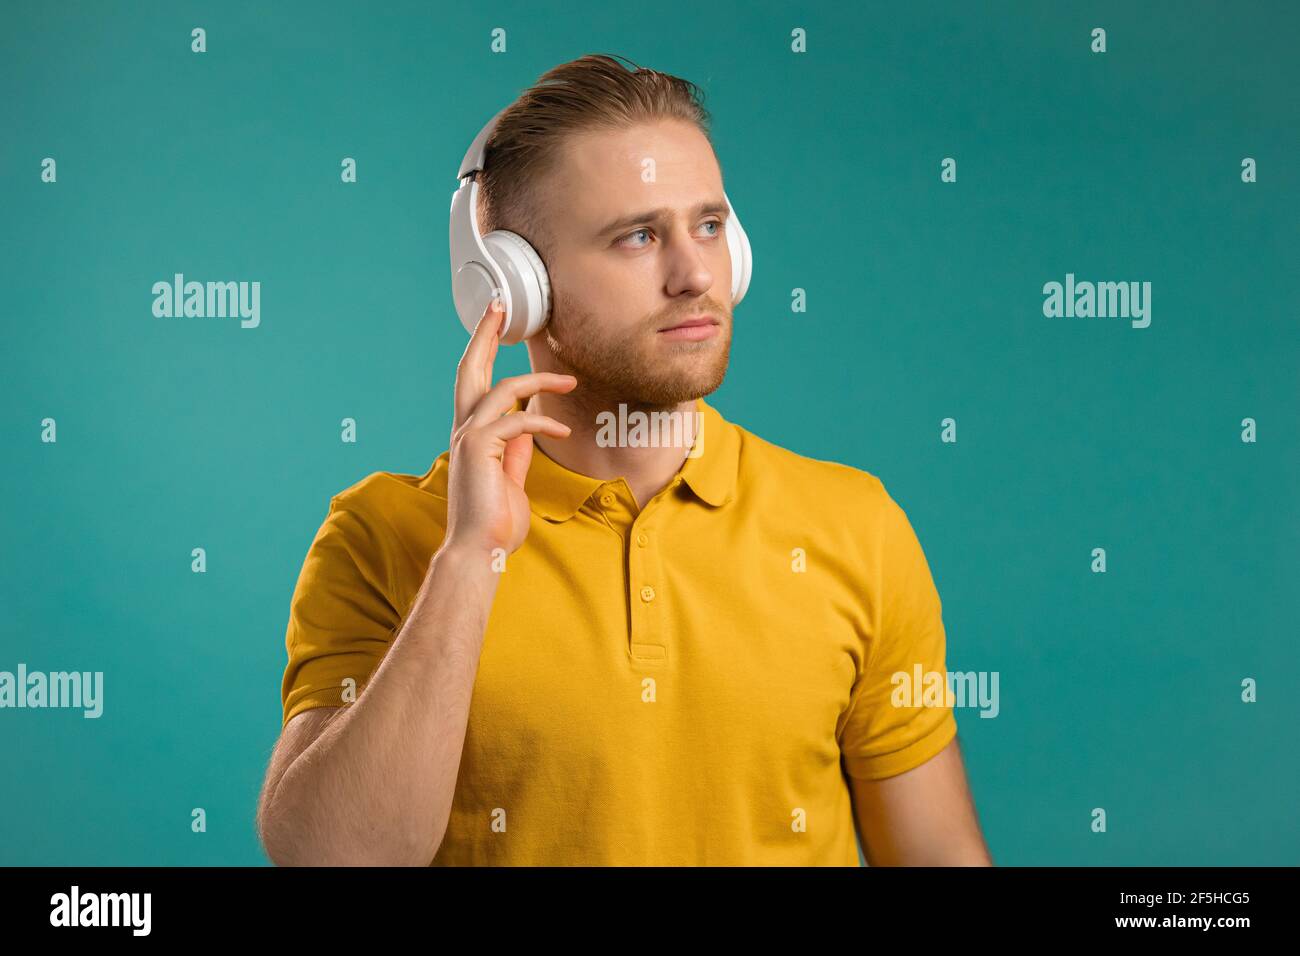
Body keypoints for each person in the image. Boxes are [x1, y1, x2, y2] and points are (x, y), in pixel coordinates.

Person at [256, 54, 992, 866]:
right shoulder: (381, 534)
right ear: (513, 286)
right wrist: (470, 558)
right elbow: (334, 859)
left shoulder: (858, 526)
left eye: (709, 226)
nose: (694, 275)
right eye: (638, 236)